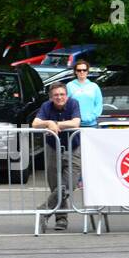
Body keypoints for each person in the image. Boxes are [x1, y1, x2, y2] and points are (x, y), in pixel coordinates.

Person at [32, 83, 83, 232]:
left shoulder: (73, 103)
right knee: (56, 186)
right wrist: (48, 122)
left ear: (66, 95)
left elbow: (76, 122)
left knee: (69, 184)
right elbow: (35, 124)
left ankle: (44, 210)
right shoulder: (46, 106)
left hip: (73, 147)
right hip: (53, 148)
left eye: (62, 94)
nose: (59, 97)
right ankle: (61, 219)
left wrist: (57, 124)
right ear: (51, 97)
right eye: (56, 95)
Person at [65, 59, 103, 129]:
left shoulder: (94, 86)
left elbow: (99, 104)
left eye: (84, 70)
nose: (82, 72)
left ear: (87, 71)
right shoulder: (69, 86)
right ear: (75, 72)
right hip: (74, 125)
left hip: (91, 125)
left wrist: (92, 117)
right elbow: (65, 103)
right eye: (79, 70)